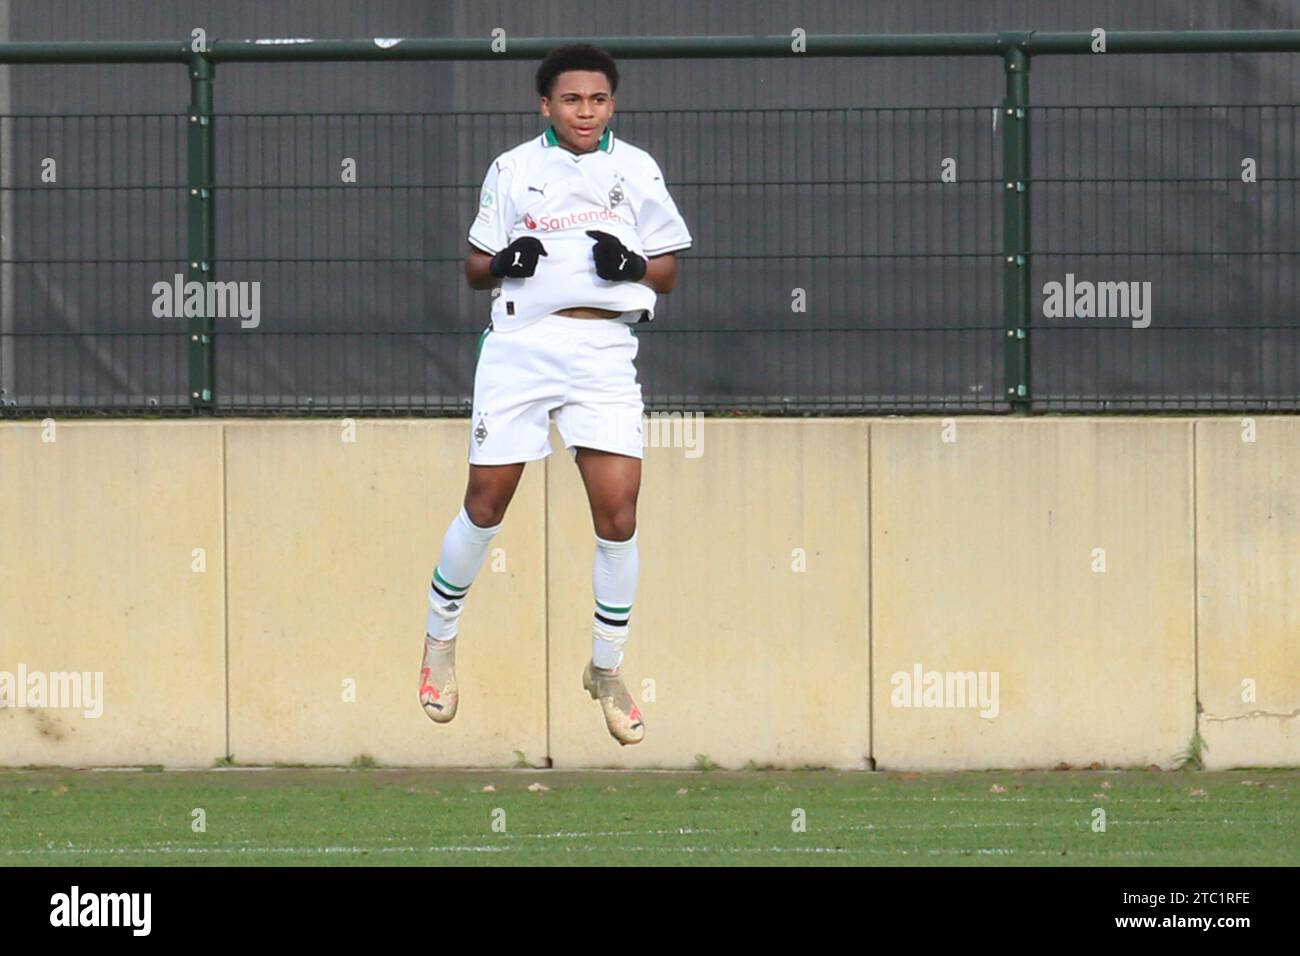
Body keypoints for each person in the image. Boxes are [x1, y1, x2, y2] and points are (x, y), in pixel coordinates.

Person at [421, 43, 692, 745]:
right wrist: (505, 261)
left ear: (613, 104)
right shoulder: (514, 168)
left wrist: (632, 262)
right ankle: (439, 643)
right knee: (487, 502)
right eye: (572, 100)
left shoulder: (637, 169)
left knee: (619, 514)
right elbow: (476, 265)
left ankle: (606, 669)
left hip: (602, 351)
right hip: (520, 346)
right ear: (546, 105)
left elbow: (666, 271)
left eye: (598, 100)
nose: (586, 111)